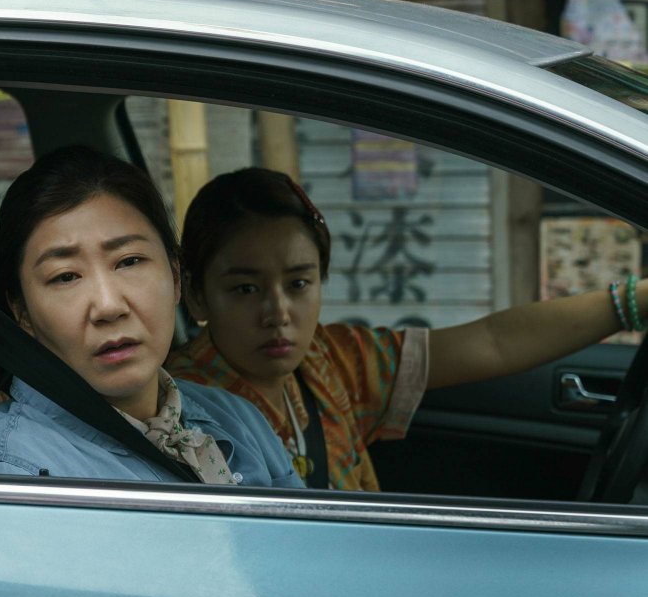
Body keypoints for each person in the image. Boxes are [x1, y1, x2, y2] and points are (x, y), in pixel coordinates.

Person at [168, 167, 646, 491]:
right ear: (196, 295)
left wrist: (631, 303)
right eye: (245, 290)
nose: (278, 312)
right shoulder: (176, 405)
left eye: (298, 283)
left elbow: (492, 343)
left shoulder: (330, 360)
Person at [0, 145, 301, 487]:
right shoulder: (21, 470)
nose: (108, 306)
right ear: (22, 312)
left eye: (129, 261)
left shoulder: (238, 418)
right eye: (66, 276)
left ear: (176, 278)